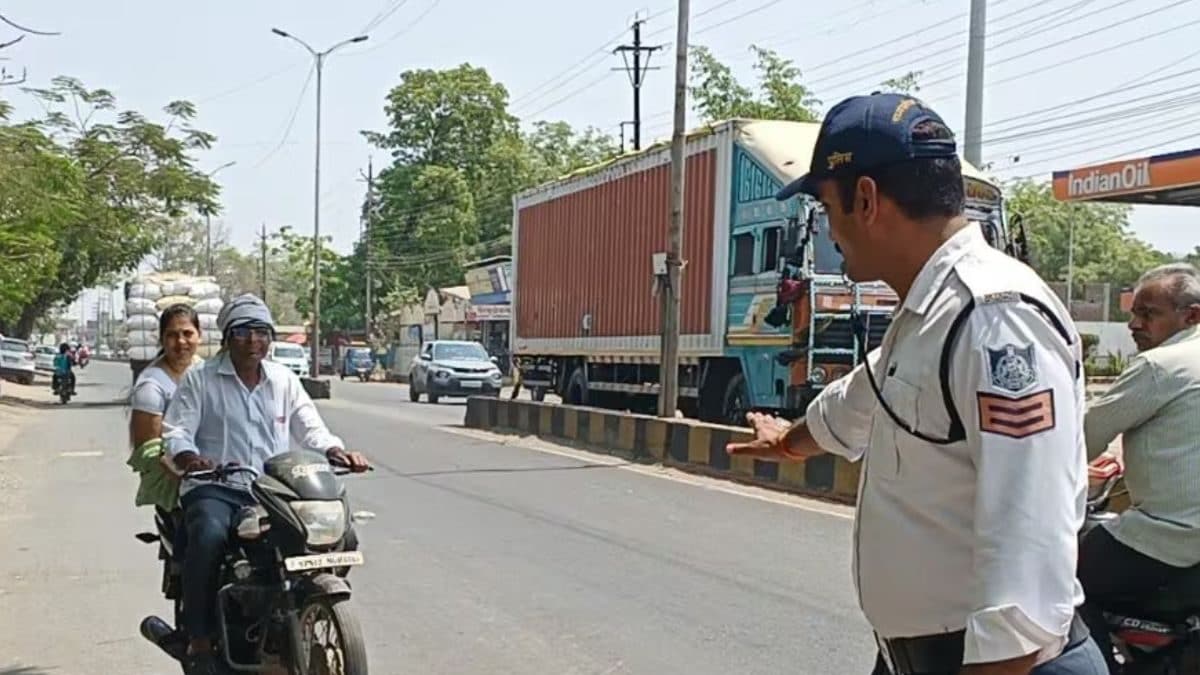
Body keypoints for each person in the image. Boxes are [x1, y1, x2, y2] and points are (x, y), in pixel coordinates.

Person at [725, 93, 1106, 674]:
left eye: (828, 207)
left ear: (867, 198)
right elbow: (861, 400)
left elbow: (1028, 550)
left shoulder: (995, 317)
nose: (830, 228)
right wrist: (790, 441)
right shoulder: (928, 313)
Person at [161, 294, 371, 675]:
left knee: (342, 536)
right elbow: (177, 431)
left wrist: (337, 451)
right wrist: (191, 457)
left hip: (273, 488)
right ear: (227, 337)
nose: (253, 340)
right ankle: (201, 638)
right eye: (243, 332)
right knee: (208, 535)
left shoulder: (283, 379)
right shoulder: (201, 379)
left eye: (261, 332)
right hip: (217, 486)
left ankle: (300, 606)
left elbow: (310, 427)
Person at [1077, 262, 1200, 672]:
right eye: (1134, 313)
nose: (1134, 324)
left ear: (1191, 315)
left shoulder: (1160, 365)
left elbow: (1081, 437)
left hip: (1167, 538)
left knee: (1056, 582)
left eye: (1148, 314)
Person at [126, 303, 203, 512]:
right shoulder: (151, 386)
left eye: (188, 333)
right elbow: (149, 450)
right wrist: (185, 475)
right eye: (172, 335)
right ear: (161, 339)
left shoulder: (205, 372)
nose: (181, 342)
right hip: (177, 481)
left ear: (199, 336)